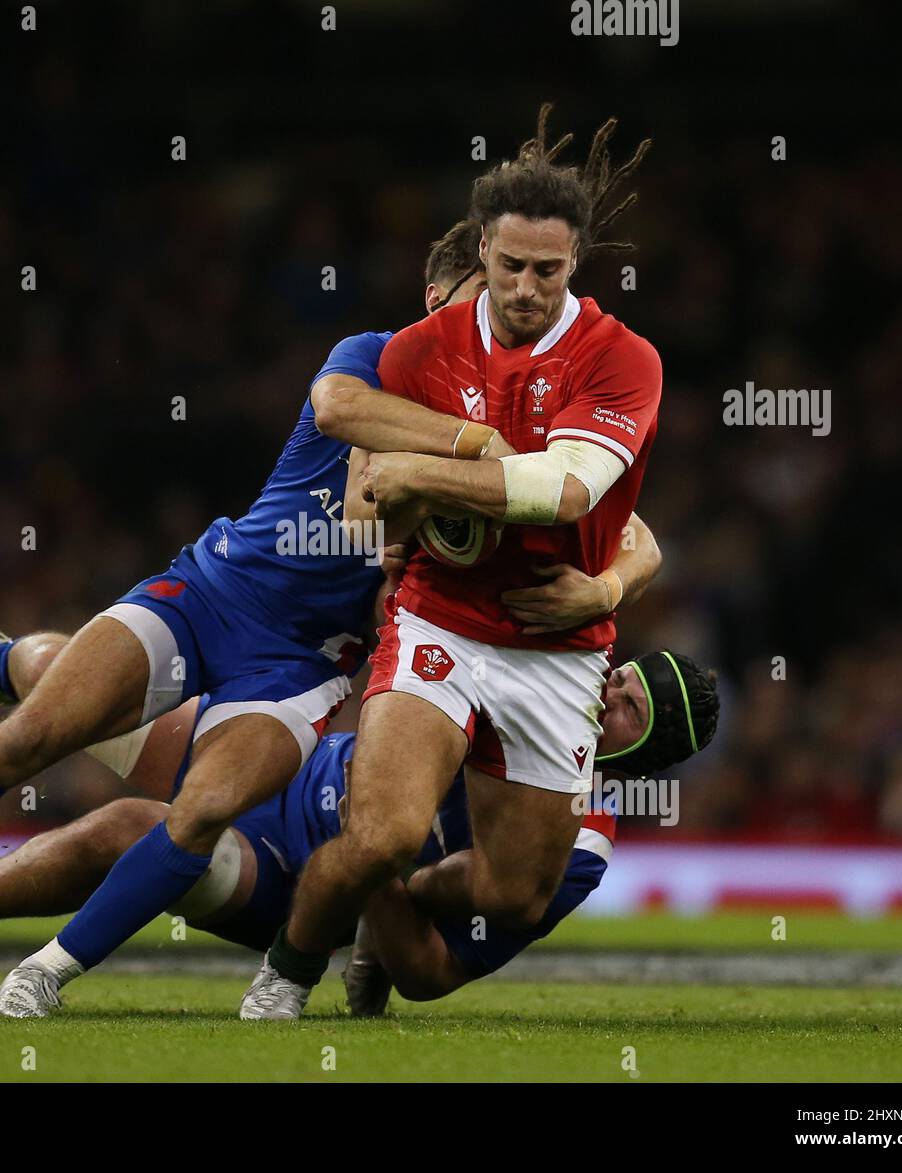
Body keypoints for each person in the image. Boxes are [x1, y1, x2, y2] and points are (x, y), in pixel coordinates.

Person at [0, 218, 587, 1005]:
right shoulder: (375, 362)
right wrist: (471, 460)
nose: (480, 330)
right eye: (471, 301)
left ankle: (37, 971)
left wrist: (599, 583)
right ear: (434, 295)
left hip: (299, 665)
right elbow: (363, 492)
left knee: (182, 815)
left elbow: (578, 518)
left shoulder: (518, 423)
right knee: (33, 734)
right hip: (214, 590)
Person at [242, 104, 662, 1019]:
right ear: (482, 249)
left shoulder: (621, 359)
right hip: (438, 619)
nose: (524, 288)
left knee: (513, 893)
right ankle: (282, 978)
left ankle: (373, 925)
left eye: (547, 271)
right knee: (386, 833)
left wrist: (436, 466)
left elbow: (569, 493)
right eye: (510, 266)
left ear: (577, 262)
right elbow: (357, 478)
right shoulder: (422, 350)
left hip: (558, 648)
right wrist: (400, 490)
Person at [0, 646, 718, 1017]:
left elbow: (441, 970)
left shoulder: (580, 841)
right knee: (101, 679)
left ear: (642, 753)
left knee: (130, 826)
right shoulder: (531, 675)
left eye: (633, 705)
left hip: (294, 876)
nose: (611, 689)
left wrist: (374, 888)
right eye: (624, 673)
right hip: (298, 765)